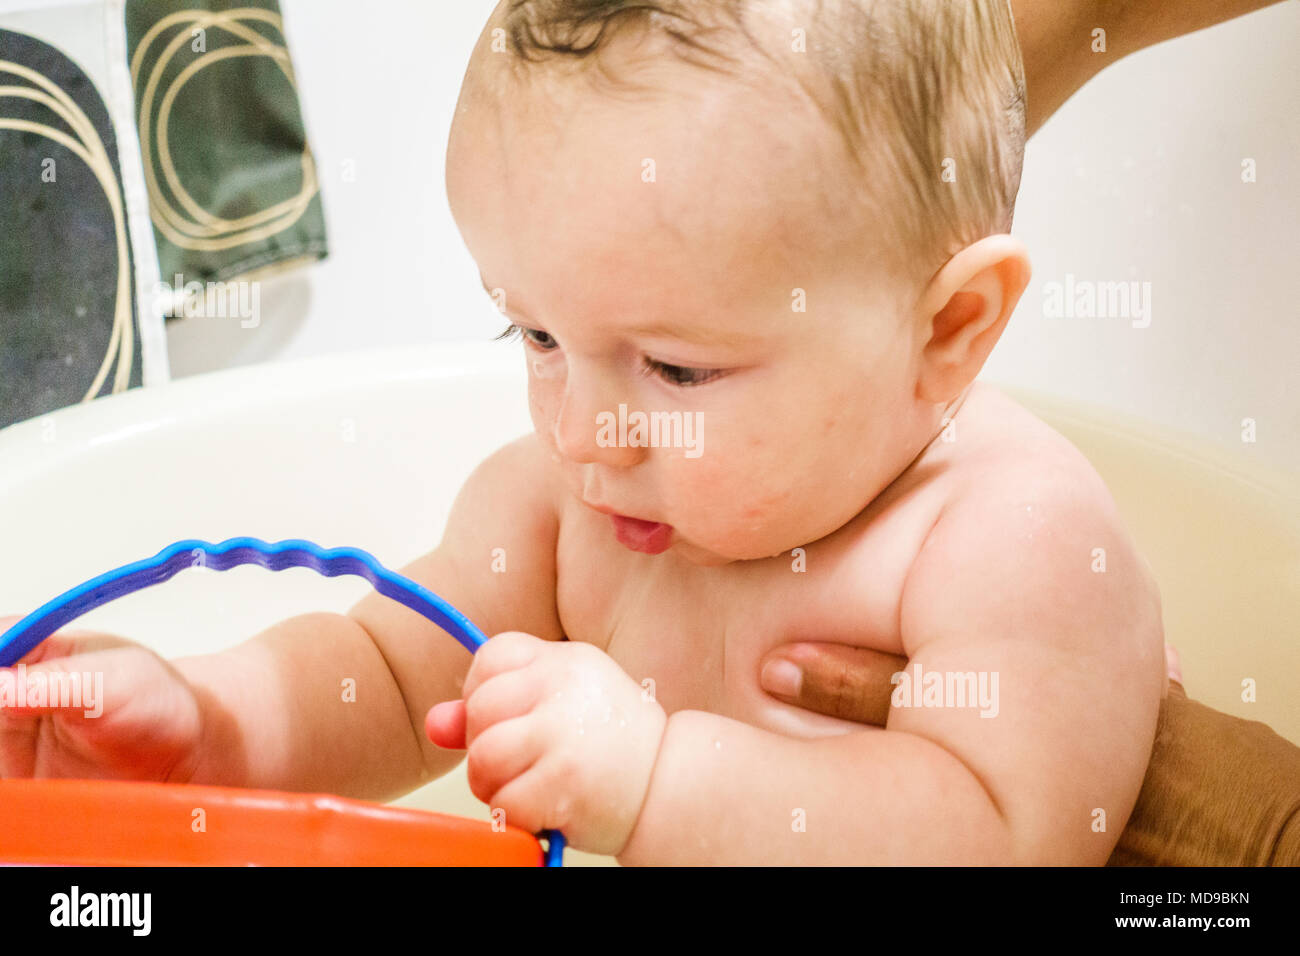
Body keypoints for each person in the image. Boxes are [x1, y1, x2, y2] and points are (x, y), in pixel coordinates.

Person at [755, 0, 1300, 866]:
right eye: (533, 334)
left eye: (679, 368)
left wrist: (650, 786)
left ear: (951, 325)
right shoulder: (583, 487)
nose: (588, 431)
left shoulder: (1013, 525)